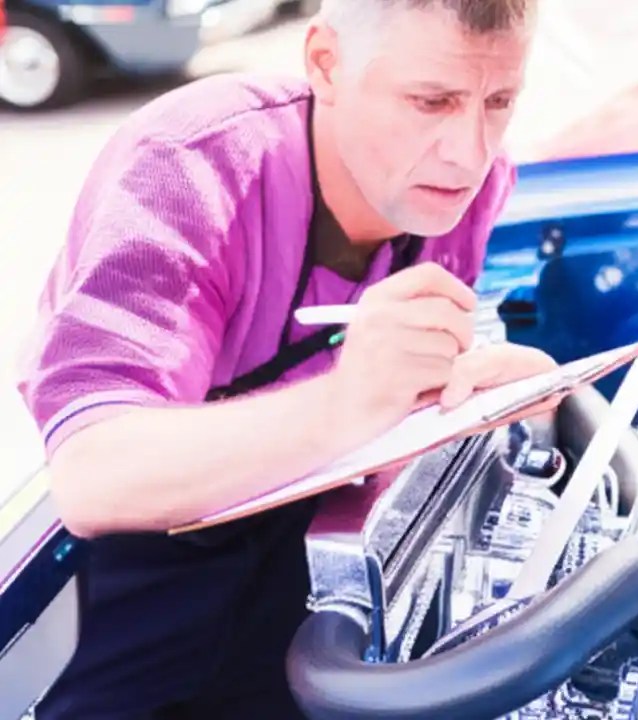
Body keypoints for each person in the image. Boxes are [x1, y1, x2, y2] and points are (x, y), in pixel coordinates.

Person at [15, 0, 555, 716]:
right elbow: (95, 477)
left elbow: (381, 408)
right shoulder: (188, 167)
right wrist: (349, 401)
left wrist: (468, 396)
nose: (469, 150)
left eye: (499, 101)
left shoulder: (469, 186)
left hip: (307, 533)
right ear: (326, 63)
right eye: (431, 101)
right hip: (144, 551)